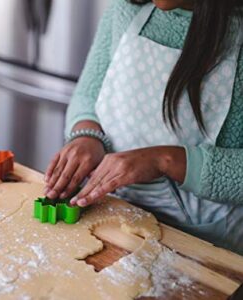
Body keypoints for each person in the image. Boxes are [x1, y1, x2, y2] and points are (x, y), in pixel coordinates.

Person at [44, 0, 243, 255]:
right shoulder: (125, 8)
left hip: (206, 245)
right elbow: (87, 95)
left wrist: (164, 160)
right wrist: (86, 136)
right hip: (112, 219)